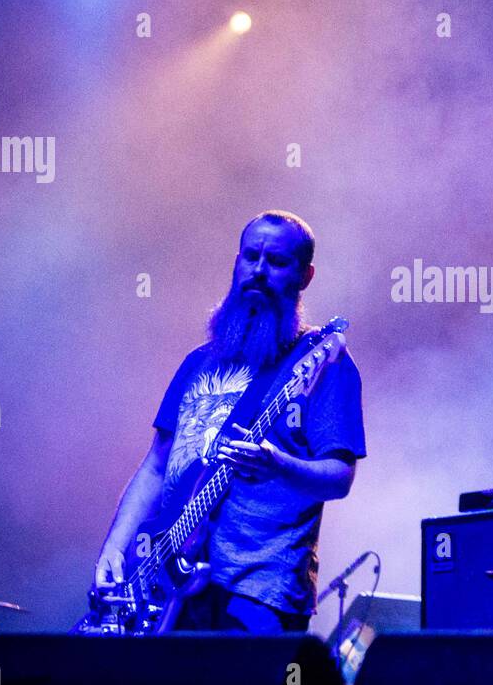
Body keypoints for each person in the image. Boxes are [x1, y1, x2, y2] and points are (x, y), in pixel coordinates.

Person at [94, 210, 365, 633]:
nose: (259, 271)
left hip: (258, 593)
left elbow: (339, 477)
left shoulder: (320, 361)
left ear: (305, 275)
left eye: (276, 262)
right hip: (173, 587)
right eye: (250, 257)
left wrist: (278, 464)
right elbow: (155, 467)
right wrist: (114, 547)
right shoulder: (198, 363)